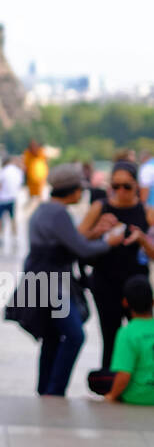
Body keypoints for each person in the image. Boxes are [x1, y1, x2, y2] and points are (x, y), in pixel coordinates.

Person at [23, 163, 126, 397]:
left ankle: (46, 390)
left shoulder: (44, 210)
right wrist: (107, 242)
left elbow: (69, 242)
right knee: (74, 334)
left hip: (39, 281)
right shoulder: (59, 213)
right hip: (52, 284)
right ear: (71, 190)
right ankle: (55, 389)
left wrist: (95, 232)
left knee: (52, 336)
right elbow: (81, 249)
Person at [76, 159, 154, 372]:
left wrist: (141, 239)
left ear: (136, 186)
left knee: (140, 333)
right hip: (105, 280)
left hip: (136, 283)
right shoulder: (100, 207)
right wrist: (98, 231)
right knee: (110, 334)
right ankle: (109, 383)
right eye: (115, 186)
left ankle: (138, 383)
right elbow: (77, 242)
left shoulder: (146, 212)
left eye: (126, 186)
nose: (120, 191)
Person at [87, 276, 154, 403]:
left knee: (95, 378)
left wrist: (112, 396)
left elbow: (124, 374)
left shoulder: (126, 333)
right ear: (152, 302)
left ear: (125, 303)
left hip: (138, 396)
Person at [0, 156, 25, 250]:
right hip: (13, 198)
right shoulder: (18, 171)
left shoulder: (4, 171)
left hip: (3, 198)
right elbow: (20, 184)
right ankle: (15, 238)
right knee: (12, 219)